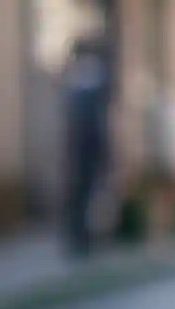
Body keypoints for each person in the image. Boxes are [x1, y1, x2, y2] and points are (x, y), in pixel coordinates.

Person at [63, 39, 111, 259]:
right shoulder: (89, 80)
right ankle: (81, 237)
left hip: (82, 149)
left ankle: (82, 237)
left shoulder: (79, 79)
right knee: (84, 194)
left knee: (83, 194)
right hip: (87, 148)